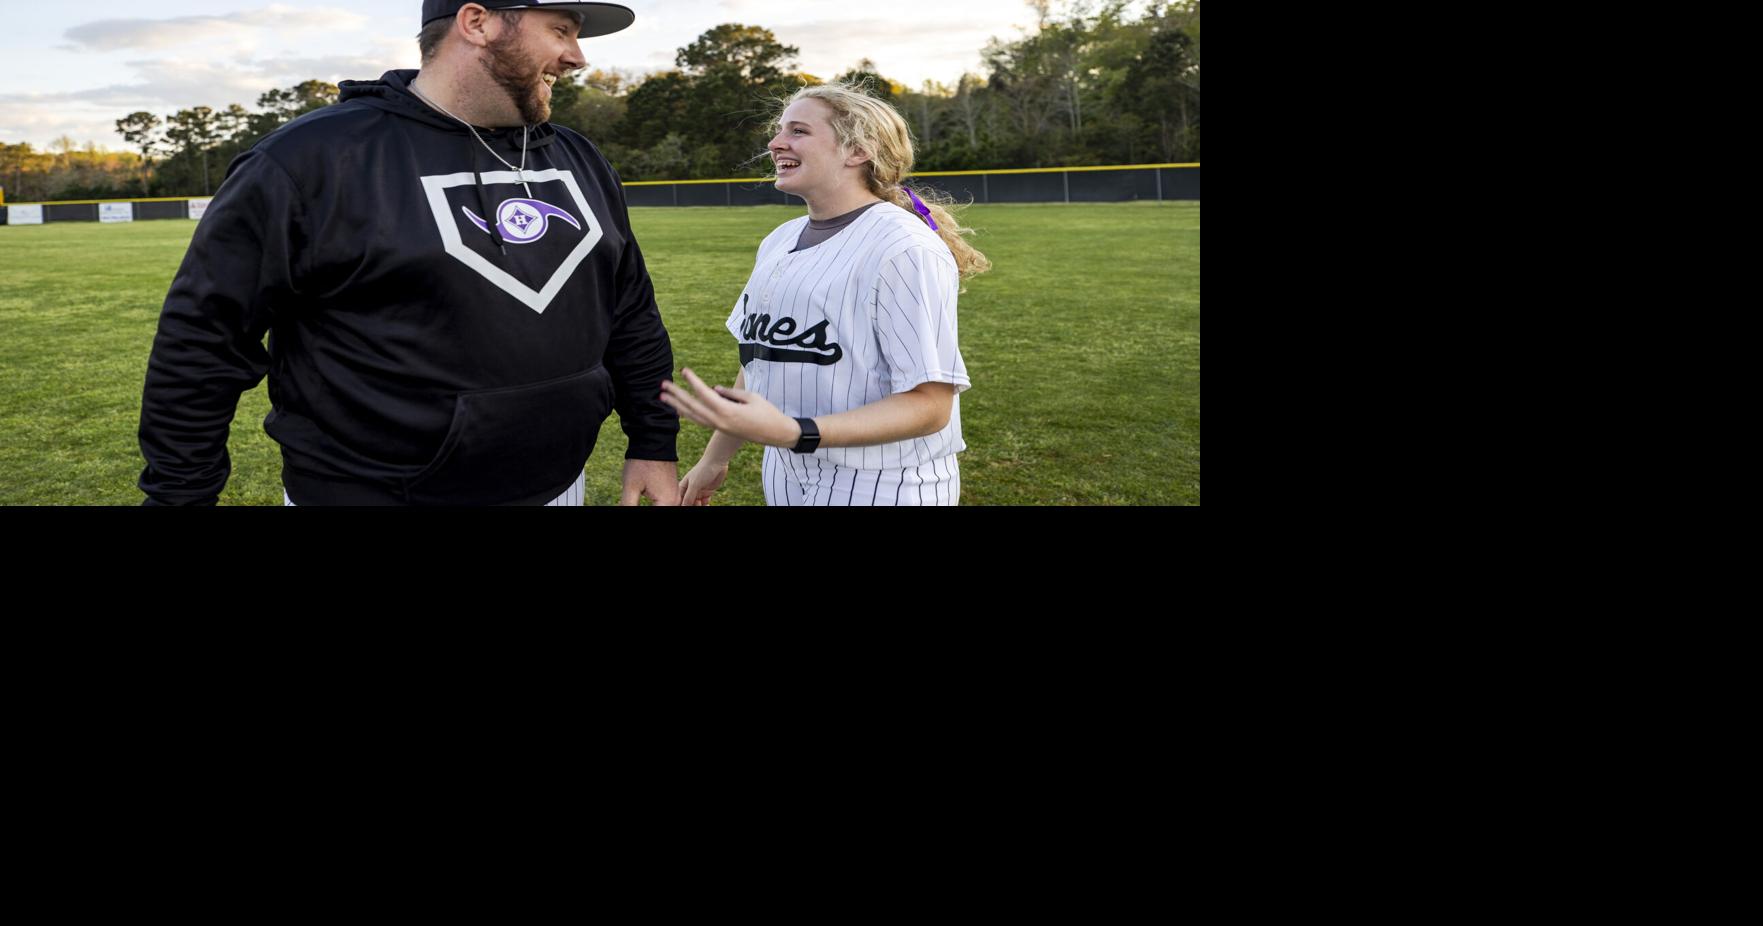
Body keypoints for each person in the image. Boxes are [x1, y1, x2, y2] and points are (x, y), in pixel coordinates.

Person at [137, 1, 681, 506]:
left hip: (557, 486)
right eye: (560, 31)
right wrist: (179, 497)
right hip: (372, 494)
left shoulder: (577, 156)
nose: (577, 57)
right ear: (476, 23)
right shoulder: (311, 159)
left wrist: (653, 441)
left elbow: (630, 311)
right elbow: (204, 342)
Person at [660, 81, 991, 506]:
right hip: (787, 468)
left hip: (885, 480)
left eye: (798, 131)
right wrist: (715, 457)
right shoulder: (780, 239)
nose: (775, 143)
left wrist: (796, 432)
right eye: (779, 130)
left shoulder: (904, 247)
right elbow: (760, 359)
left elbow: (930, 406)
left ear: (858, 151)